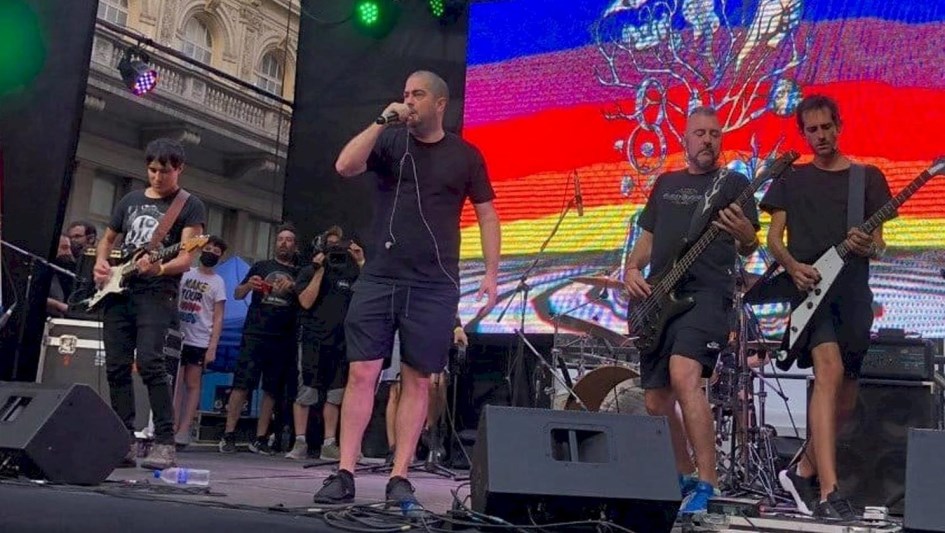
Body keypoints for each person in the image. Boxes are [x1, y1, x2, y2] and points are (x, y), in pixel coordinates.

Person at [313, 70, 500, 509]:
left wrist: (491, 274)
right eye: (404, 94)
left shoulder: (466, 155)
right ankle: (345, 470)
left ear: (440, 104)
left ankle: (400, 476)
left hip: (434, 282)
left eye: (417, 95)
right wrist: (382, 120)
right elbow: (344, 166)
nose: (408, 101)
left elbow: (488, 216)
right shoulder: (389, 141)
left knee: (418, 378)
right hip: (380, 274)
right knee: (362, 372)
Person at [622, 106, 760, 515]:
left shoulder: (734, 183)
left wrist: (744, 234)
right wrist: (631, 269)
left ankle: (708, 481)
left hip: (706, 296)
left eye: (715, 134)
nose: (708, 140)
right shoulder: (665, 184)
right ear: (685, 139)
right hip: (659, 299)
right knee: (655, 401)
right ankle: (683, 475)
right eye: (700, 133)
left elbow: (750, 244)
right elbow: (646, 241)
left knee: (685, 374)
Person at [761, 95, 891, 521]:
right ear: (803, 133)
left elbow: (880, 244)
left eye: (826, 127)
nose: (820, 136)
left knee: (847, 400)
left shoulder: (865, 179)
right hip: (810, 293)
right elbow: (774, 240)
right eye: (812, 130)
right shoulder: (791, 181)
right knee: (828, 371)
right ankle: (827, 491)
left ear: (839, 125)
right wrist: (792, 267)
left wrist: (867, 243)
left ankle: (801, 470)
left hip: (853, 293)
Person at [93, 138, 206, 470]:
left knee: (151, 363)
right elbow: (109, 238)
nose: (157, 177)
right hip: (120, 289)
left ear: (179, 169)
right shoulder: (129, 199)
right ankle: (123, 439)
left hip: (157, 292)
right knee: (115, 366)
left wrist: (158, 267)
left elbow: (187, 256)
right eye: (153, 170)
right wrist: (102, 263)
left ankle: (164, 441)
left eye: (165, 171)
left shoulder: (189, 205)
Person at [218, 224, 300, 455]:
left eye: (289, 240)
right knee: (242, 383)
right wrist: (248, 285)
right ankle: (229, 434)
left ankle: (261, 437)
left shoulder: (298, 273)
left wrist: (293, 287)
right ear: (275, 243)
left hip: (283, 336)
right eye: (281, 239)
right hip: (255, 333)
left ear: (295, 245)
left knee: (271, 389)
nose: (284, 243)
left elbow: (305, 300)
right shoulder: (261, 266)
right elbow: (237, 294)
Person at [285, 226, 365, 460]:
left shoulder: (350, 273)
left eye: (337, 246)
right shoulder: (309, 271)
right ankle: (300, 441)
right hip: (312, 339)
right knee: (306, 390)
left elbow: (368, 295)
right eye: (329, 246)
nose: (334, 251)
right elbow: (306, 302)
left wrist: (360, 262)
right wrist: (320, 270)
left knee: (335, 393)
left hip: (341, 342)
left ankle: (330, 443)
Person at [385, 317, 467, 464]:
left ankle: (428, 431)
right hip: (401, 324)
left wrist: (457, 326)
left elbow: (449, 298)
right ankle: (394, 448)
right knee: (397, 389)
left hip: (432, 325)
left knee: (437, 383)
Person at [173, 235, 227, 447]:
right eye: (209, 248)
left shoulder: (217, 282)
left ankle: (185, 428)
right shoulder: (186, 273)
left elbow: (218, 316)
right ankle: (172, 424)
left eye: (216, 251)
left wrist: (212, 346)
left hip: (200, 338)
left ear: (221, 257)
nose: (211, 252)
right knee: (176, 383)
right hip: (179, 335)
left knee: (193, 384)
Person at [47, 235, 76, 316]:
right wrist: (58, 305)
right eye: (64, 248)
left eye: (69, 248)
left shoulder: (68, 271)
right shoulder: (42, 271)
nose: (69, 253)